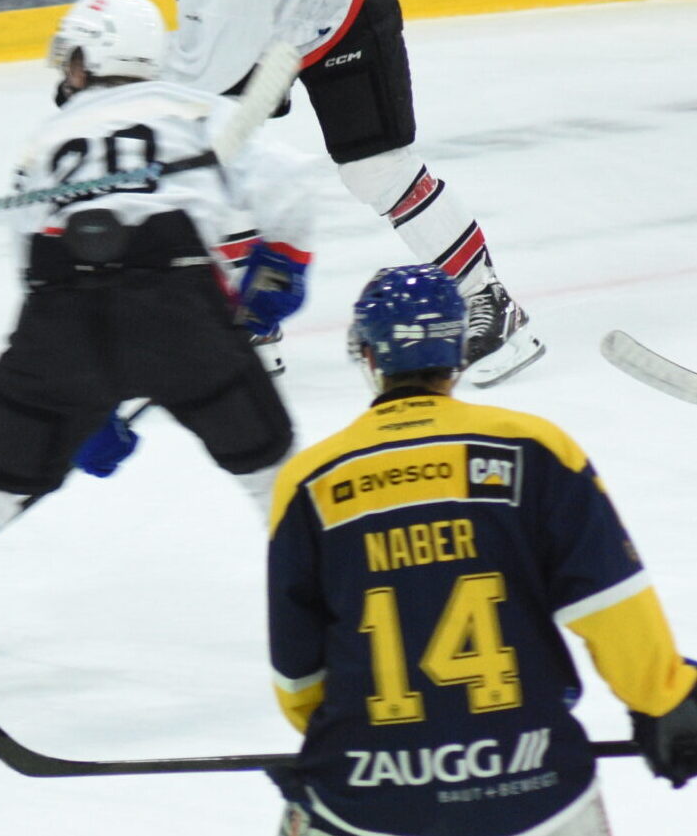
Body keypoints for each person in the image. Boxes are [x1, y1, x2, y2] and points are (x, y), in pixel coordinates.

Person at [0, 0, 312, 675]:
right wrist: (276, 276)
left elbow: (32, 257)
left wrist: (86, 397)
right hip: (174, 299)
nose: (64, 76)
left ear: (91, 57)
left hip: (59, 309)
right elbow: (286, 188)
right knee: (270, 467)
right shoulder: (195, 111)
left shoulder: (42, 145)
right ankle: (349, 610)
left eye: (70, 61)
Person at [105, 0, 544, 387]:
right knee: (221, 169)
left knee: (374, 171)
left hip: (339, 4)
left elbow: (204, 81)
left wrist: (137, 125)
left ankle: (490, 304)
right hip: (270, 4)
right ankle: (251, 328)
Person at [266, 264, 697, 835]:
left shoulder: (310, 481)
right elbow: (608, 603)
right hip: (537, 793)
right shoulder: (534, 449)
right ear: (459, 352)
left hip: (368, 804)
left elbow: (299, 682)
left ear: (368, 356)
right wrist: (666, 698)